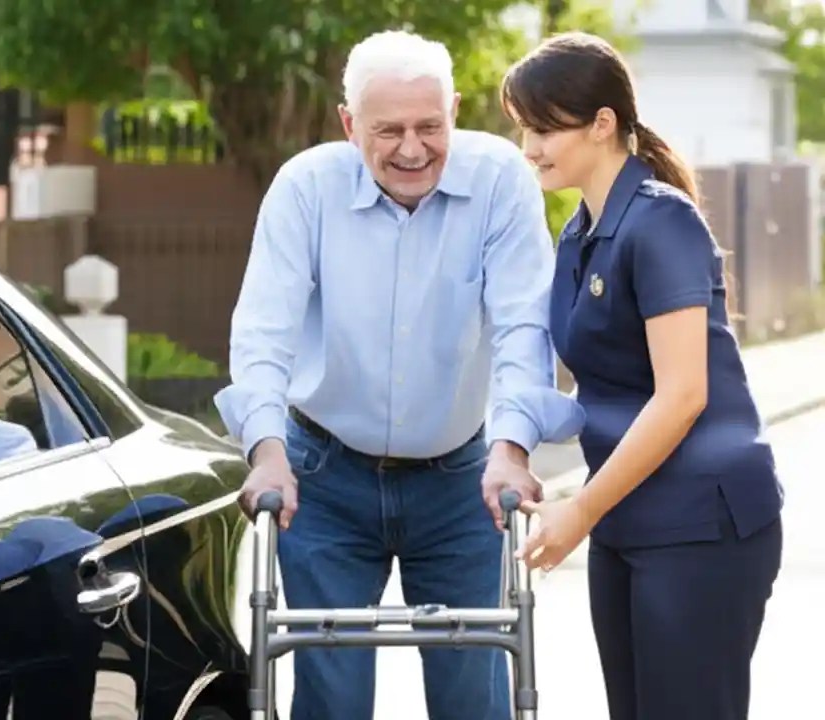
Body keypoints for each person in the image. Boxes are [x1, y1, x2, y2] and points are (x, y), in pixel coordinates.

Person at [215, 30, 584, 720]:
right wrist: (266, 453)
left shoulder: (500, 180)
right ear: (350, 124)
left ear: (456, 112)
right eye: (388, 130)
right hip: (323, 477)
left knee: (474, 690)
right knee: (332, 696)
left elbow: (522, 327)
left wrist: (512, 449)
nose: (412, 150)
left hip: (461, 480)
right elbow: (264, 331)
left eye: (430, 126)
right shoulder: (306, 187)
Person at [499, 32, 784, 720]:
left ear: (602, 124)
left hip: (702, 525)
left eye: (543, 129)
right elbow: (599, 388)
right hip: (627, 523)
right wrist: (510, 444)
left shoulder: (661, 221)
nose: (529, 147)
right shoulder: (577, 233)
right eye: (523, 131)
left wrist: (581, 509)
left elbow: (683, 395)